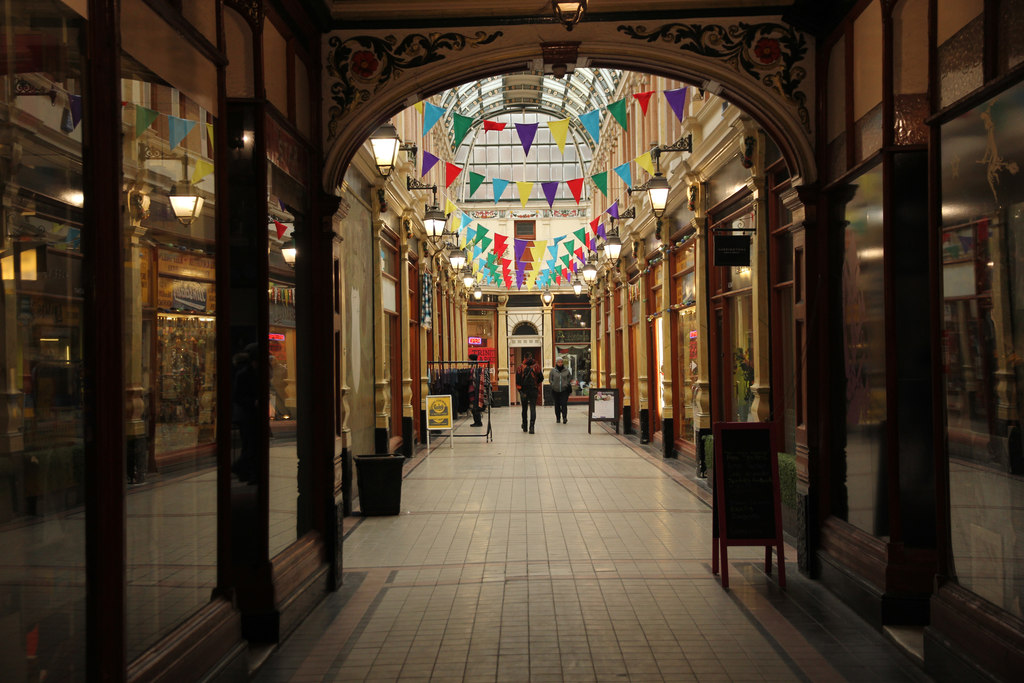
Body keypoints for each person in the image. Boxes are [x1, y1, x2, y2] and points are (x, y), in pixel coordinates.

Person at [515, 351, 543, 434]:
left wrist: (520, 391)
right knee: (533, 408)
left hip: (524, 391)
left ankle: (525, 425)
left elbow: (518, 380)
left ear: (524, 358)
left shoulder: (520, 367)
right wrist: (537, 385)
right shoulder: (536, 367)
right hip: (533, 390)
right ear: (532, 357)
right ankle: (532, 427)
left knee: (524, 409)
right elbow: (541, 378)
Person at [548, 356, 572, 424]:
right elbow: (550, 379)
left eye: (561, 362)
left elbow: (570, 377)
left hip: (564, 390)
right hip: (555, 390)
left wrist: (566, 383)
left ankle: (564, 417)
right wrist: (552, 384)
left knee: (564, 404)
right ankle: (558, 418)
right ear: (556, 363)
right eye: (559, 362)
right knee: (557, 404)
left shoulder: (566, 370)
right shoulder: (553, 370)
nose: (560, 363)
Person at [468, 353, 484, 427]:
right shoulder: (475, 367)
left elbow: (474, 379)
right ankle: (477, 421)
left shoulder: (475, 368)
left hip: (475, 390)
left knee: (475, 406)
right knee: (474, 406)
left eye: (469, 359)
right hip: (473, 389)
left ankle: (478, 421)